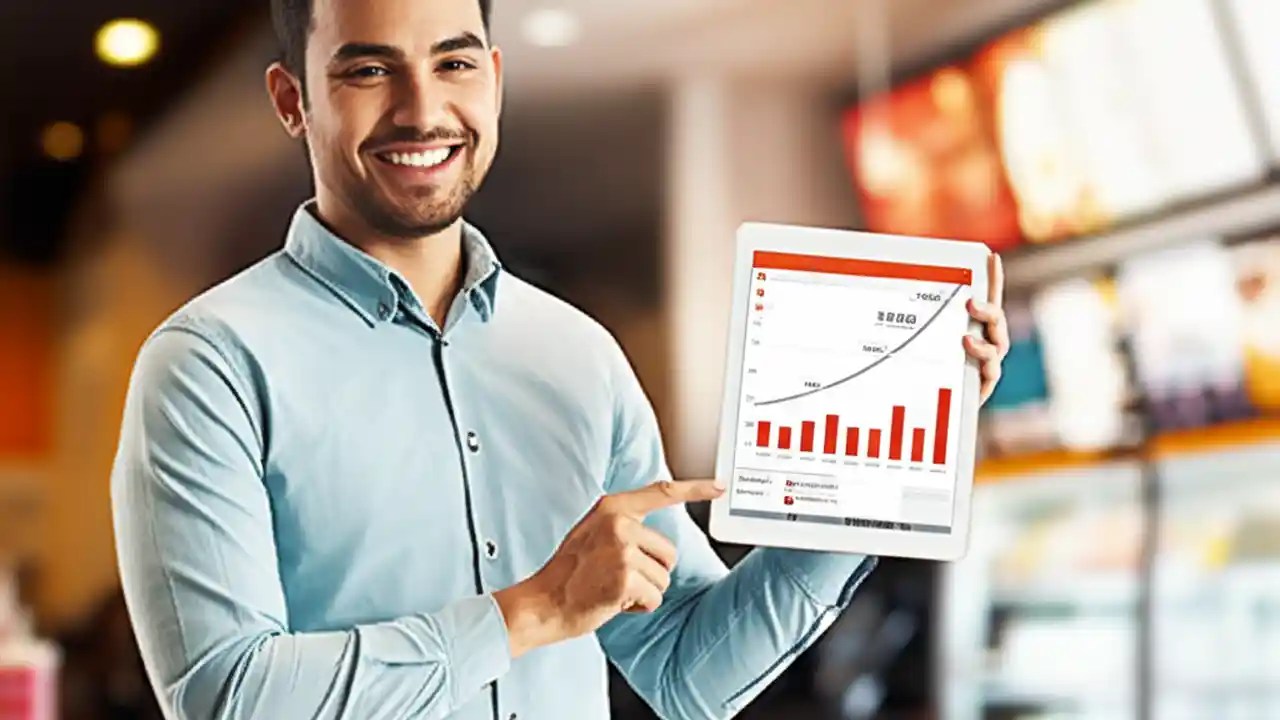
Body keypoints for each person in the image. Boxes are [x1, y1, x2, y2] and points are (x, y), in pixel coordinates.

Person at [110, 0, 1011, 717]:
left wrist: (883, 456)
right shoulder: (209, 366)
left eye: (455, 63)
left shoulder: (579, 356)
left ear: (495, 80)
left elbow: (688, 672)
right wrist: (530, 612)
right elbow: (227, 695)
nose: (422, 109)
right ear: (291, 100)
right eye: (369, 69)